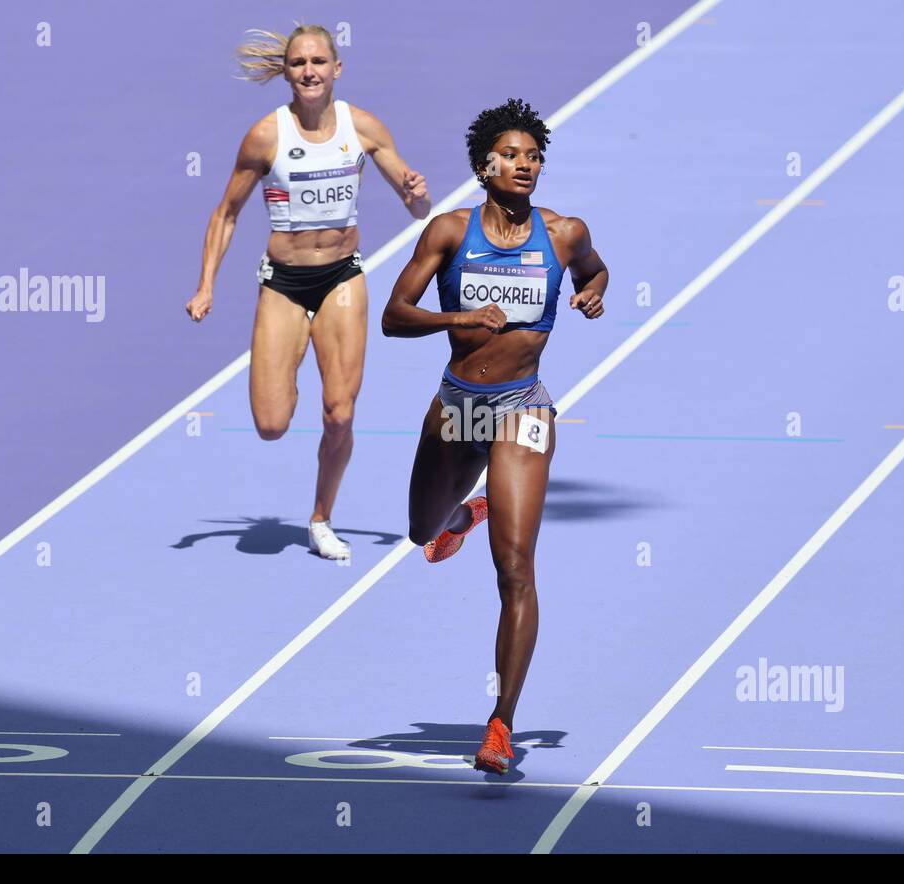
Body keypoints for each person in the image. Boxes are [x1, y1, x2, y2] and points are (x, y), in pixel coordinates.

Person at [382, 99, 608, 773]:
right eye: (512, 155)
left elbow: (594, 269)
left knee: (516, 569)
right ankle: (460, 514)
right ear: (484, 164)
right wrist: (459, 315)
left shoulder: (563, 233)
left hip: (522, 410)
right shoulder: (450, 233)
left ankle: (501, 725)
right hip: (459, 406)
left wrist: (594, 292)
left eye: (534, 156)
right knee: (421, 531)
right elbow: (394, 316)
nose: (525, 165)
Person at [186, 24, 431, 560]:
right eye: (298, 63)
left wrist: (418, 194)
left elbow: (417, 206)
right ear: (286, 72)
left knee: (339, 413)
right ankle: (289, 366)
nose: (309, 71)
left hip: (342, 277)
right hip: (284, 284)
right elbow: (226, 213)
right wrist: (207, 284)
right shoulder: (265, 136)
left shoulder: (362, 127)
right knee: (272, 425)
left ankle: (321, 519)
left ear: (337, 69)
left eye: (319, 61)